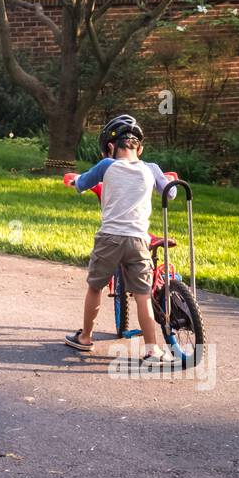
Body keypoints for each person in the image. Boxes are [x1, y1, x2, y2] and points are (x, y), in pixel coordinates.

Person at [62, 114, 176, 364]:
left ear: (111, 148)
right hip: (138, 241)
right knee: (143, 295)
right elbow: (171, 193)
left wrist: (73, 181)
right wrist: (170, 180)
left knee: (95, 286)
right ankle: (152, 349)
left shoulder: (106, 166)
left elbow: (82, 183)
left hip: (110, 239)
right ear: (140, 147)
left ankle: (85, 338)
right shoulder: (152, 168)